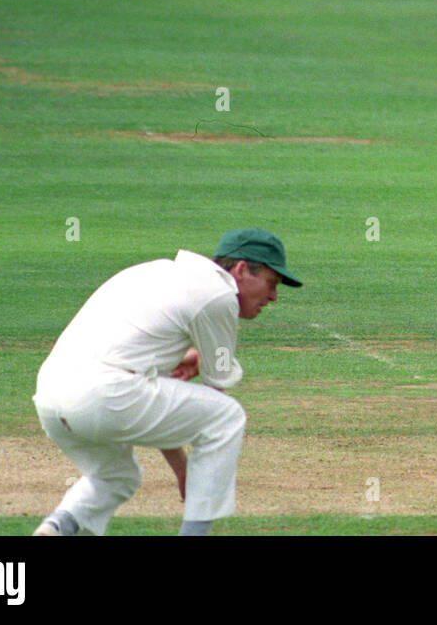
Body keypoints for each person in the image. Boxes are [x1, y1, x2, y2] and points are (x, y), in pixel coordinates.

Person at [31, 228, 302, 535]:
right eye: (272, 282)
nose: (273, 296)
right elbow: (216, 386)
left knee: (116, 476)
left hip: (52, 396)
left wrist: (181, 468)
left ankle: (58, 527)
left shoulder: (157, 273)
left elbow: (170, 406)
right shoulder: (219, 294)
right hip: (106, 394)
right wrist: (194, 473)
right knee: (227, 416)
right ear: (241, 270)